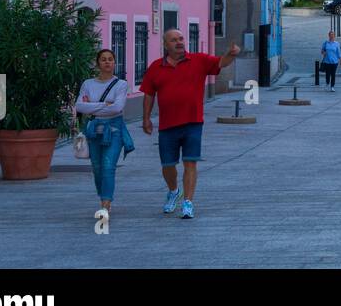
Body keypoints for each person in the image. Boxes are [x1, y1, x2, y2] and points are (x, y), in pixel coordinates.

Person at [140, 29, 239, 219]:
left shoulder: (198, 60)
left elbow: (220, 63)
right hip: (167, 125)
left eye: (181, 38)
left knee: (190, 162)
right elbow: (149, 94)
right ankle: (173, 191)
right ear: (165, 45)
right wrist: (146, 118)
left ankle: (188, 202)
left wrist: (230, 54)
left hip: (193, 122)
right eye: (174, 40)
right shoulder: (155, 67)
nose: (179, 42)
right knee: (168, 164)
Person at [74, 49, 134, 217]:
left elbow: (117, 107)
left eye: (110, 59)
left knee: (108, 167)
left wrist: (93, 105)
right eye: (103, 59)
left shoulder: (121, 84)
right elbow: (79, 106)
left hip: (114, 131)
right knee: (97, 168)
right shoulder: (88, 84)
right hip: (93, 131)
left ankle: (105, 204)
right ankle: (103, 196)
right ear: (97, 63)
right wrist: (104, 106)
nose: (107, 62)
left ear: (115, 63)